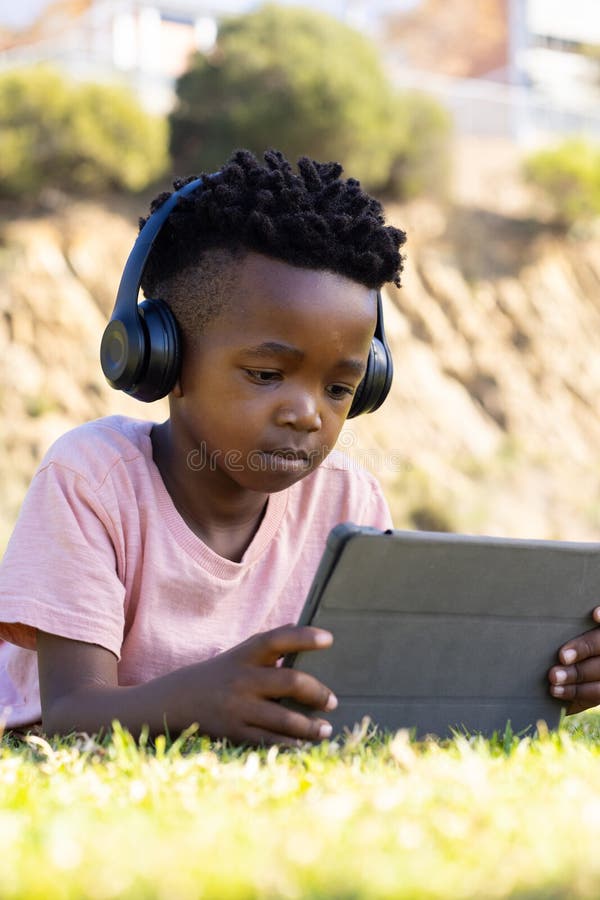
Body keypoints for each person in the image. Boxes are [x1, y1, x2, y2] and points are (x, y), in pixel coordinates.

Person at [0, 148, 406, 744]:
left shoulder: (350, 502)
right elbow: (69, 716)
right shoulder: (91, 478)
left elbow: (388, 689)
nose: (306, 413)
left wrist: (554, 673)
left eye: (340, 387)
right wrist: (200, 703)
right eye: (266, 374)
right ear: (161, 357)